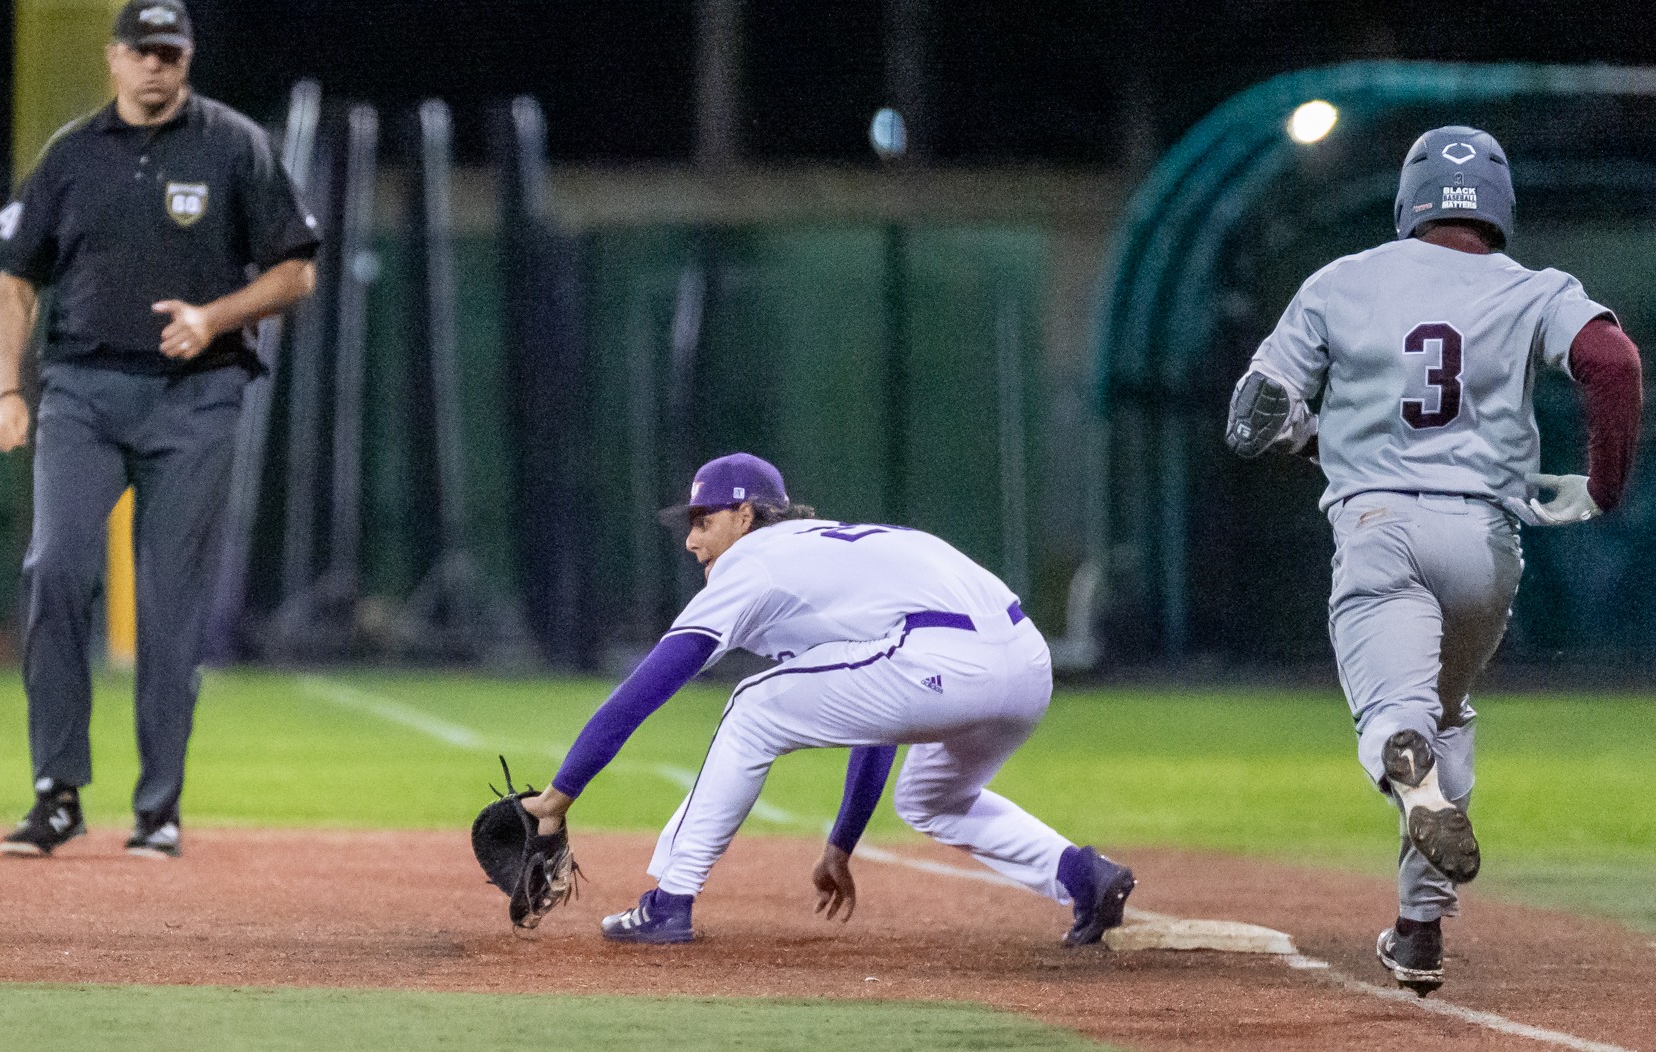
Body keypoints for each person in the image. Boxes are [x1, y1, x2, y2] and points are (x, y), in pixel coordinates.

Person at [1225, 126, 1642, 996]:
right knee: (1447, 714)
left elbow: (1254, 416)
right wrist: (1604, 486)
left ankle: (1408, 774)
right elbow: (1614, 362)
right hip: (1487, 544)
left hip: (1380, 525)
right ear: (1500, 204)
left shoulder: (1341, 282)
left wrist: (1322, 437)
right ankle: (1418, 934)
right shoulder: (1535, 289)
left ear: (1409, 199)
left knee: (1394, 718)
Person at [518, 452, 1137, 945]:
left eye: (703, 520)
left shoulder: (755, 562)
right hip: (1025, 664)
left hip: (944, 657)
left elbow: (651, 683)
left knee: (752, 710)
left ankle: (669, 902)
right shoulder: (824, 555)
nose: (691, 540)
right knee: (931, 798)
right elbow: (881, 710)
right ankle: (1084, 876)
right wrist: (842, 842)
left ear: (747, 516)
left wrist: (560, 793)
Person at [0, 0, 319, 860]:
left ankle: (157, 810)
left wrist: (215, 317)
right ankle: (57, 794)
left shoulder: (234, 145)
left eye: (170, 53)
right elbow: (16, 280)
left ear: (188, 57)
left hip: (197, 397)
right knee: (55, 568)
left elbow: (294, 271)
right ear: (114, 58)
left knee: (172, 608)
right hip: (83, 393)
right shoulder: (71, 155)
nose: (155, 67)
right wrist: (5, 392)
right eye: (142, 52)